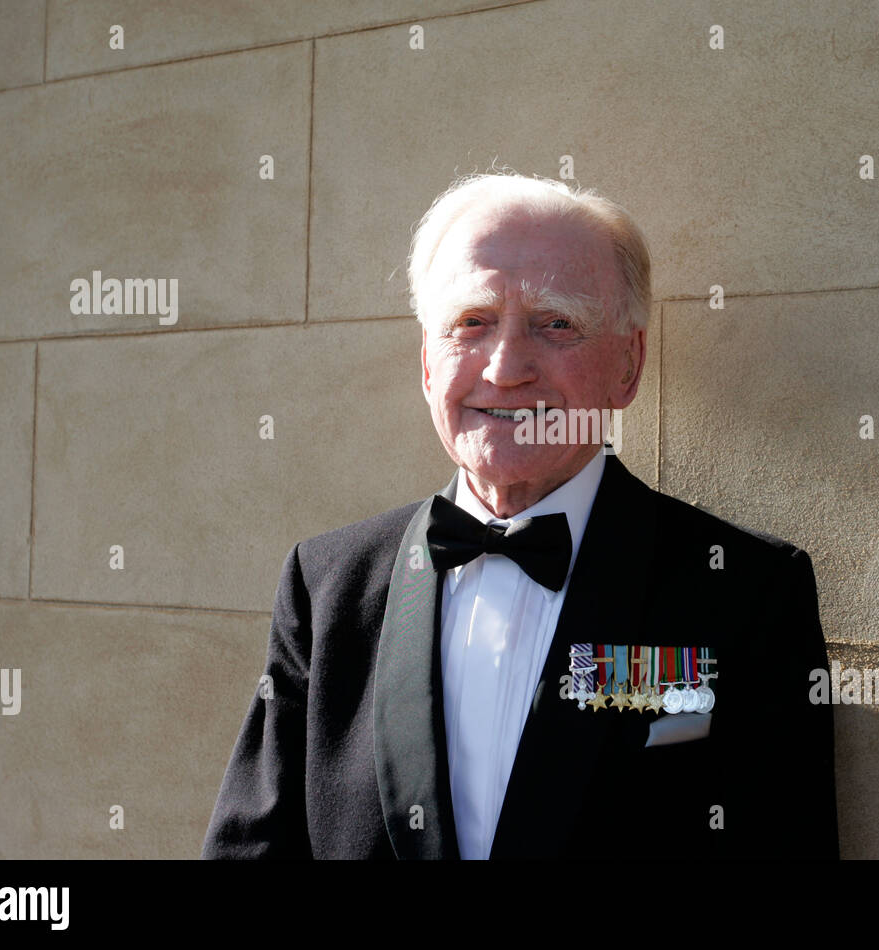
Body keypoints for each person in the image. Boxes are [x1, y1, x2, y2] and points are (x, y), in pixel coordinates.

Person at [202, 171, 838, 859]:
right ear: (426, 362)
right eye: (471, 323)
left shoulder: (747, 592)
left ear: (628, 365)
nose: (506, 369)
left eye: (556, 324)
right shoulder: (326, 585)